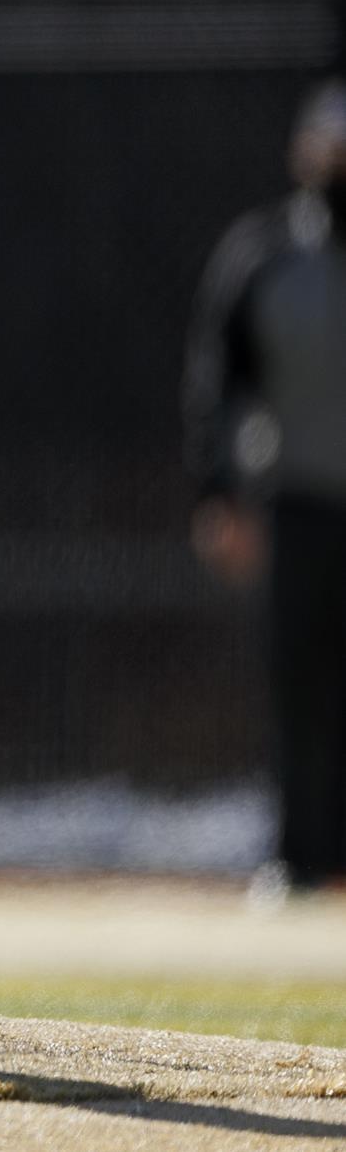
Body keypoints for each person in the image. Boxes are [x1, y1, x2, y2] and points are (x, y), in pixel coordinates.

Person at [185, 79, 346, 899]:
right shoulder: (265, 255)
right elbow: (218, 382)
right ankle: (298, 855)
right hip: (297, 501)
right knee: (298, 681)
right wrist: (220, 493)